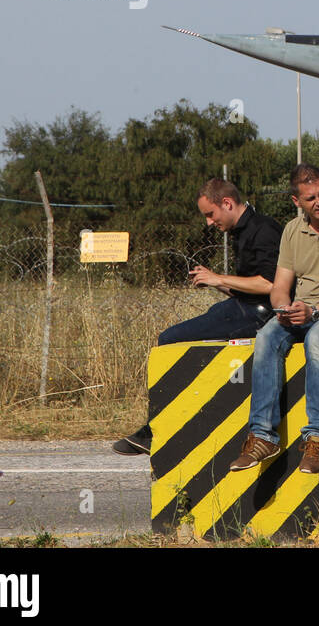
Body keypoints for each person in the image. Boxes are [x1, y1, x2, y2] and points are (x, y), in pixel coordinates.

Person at [112, 178, 283, 455]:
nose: (209, 222)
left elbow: (271, 285)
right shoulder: (244, 231)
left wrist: (219, 278)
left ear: (226, 203)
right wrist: (218, 283)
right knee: (188, 331)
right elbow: (250, 287)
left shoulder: (263, 230)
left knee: (171, 339)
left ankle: (156, 430)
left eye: (210, 214)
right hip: (247, 307)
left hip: (260, 316)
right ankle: (169, 423)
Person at [229, 163, 319, 475]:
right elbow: (280, 288)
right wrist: (284, 309)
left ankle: (317, 438)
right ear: (297, 202)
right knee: (269, 335)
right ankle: (262, 436)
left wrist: (317, 311)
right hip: (307, 309)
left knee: (318, 336)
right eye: (310, 198)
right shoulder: (292, 231)